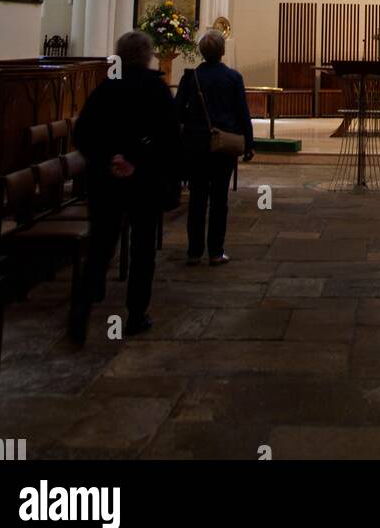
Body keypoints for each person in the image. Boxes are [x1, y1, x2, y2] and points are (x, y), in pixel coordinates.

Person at [69, 30, 181, 342]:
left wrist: (110, 158)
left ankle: (80, 313)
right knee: (143, 249)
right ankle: (135, 315)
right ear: (147, 55)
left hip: (106, 183)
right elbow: (170, 139)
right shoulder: (156, 89)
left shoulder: (106, 89)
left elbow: (82, 135)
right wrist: (136, 161)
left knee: (101, 245)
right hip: (144, 183)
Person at [175, 31, 254, 266]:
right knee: (220, 199)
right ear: (222, 52)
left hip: (196, 145)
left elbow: (178, 111)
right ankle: (216, 251)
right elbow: (242, 112)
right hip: (224, 144)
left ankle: (194, 251)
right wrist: (248, 143)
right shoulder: (232, 77)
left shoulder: (190, 78)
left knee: (197, 197)